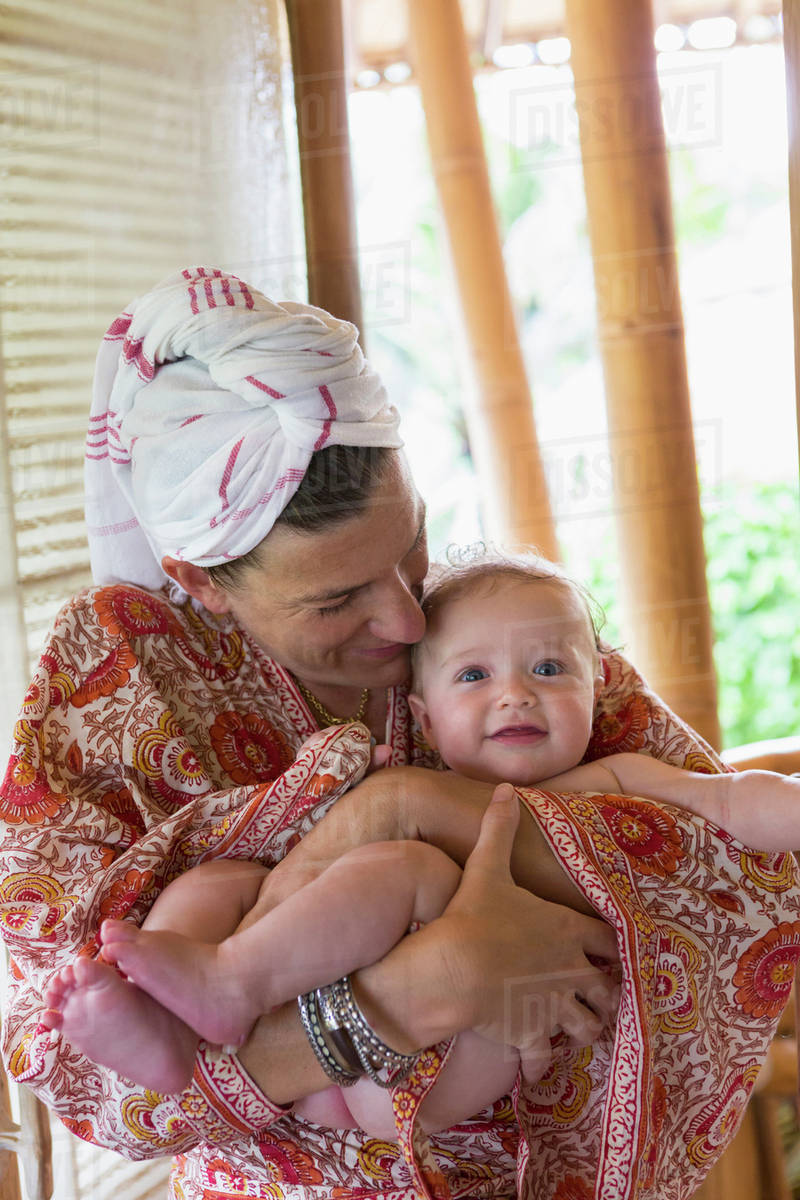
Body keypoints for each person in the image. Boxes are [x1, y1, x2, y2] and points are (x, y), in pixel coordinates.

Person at [1, 268, 796, 1200]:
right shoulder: (119, 683)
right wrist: (413, 991)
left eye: (410, 543)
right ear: (202, 578)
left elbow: (735, 882)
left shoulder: (489, 625)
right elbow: (86, 1080)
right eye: (338, 598)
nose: (408, 619)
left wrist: (409, 810)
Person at [40, 548, 800, 1140]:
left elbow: (729, 806)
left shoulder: (618, 775)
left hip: (437, 1077)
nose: (515, 692)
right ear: (428, 719)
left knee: (403, 865)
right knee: (215, 884)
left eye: (548, 669)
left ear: (597, 685)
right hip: (314, 1045)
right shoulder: (401, 768)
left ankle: (232, 983)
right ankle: (163, 1022)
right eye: (475, 676)